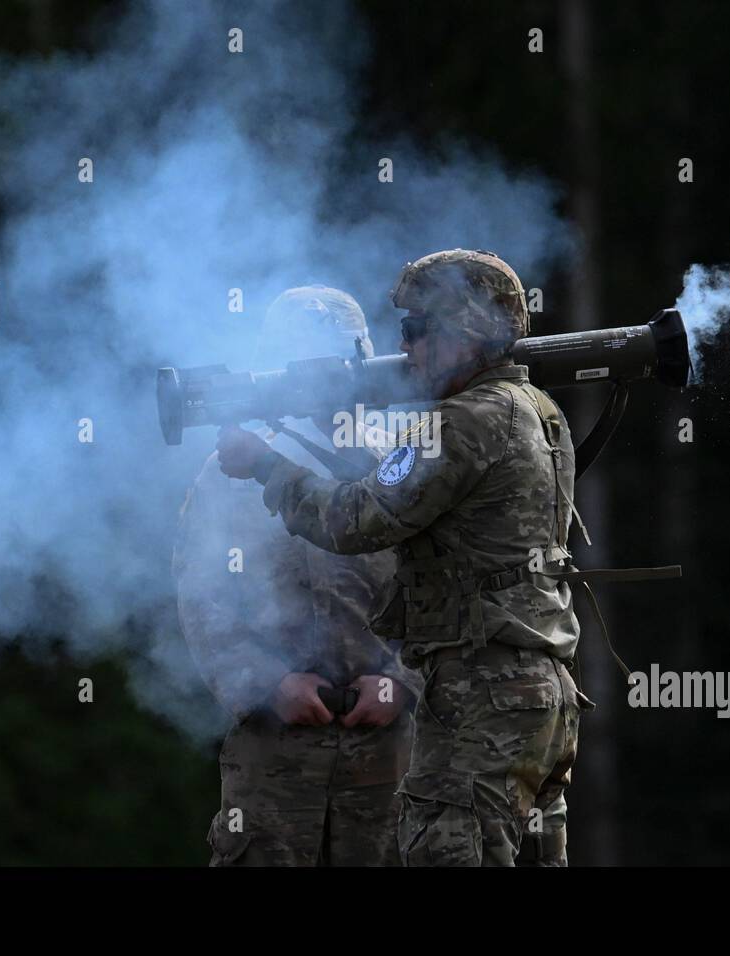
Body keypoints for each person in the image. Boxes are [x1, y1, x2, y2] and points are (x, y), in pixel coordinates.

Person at [216, 250, 591, 866]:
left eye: (417, 332)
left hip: (479, 699)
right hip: (536, 694)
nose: (406, 350)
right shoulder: (536, 411)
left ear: (464, 334)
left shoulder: (458, 424)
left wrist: (265, 465)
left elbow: (355, 520)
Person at [175, 286, 419, 866]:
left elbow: (445, 588)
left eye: (332, 357)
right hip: (275, 752)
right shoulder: (230, 469)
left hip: (391, 751)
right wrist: (267, 683)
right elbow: (202, 597)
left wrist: (403, 683)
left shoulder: (403, 461)